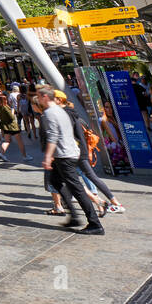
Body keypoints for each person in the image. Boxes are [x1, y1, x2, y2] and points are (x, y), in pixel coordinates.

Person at [36, 89, 103, 234]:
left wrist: (48, 156)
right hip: (69, 152)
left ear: (45, 96)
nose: (37, 98)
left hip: (64, 155)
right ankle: (73, 216)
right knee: (55, 181)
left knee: (77, 189)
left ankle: (95, 223)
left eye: (39, 95)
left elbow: (53, 135)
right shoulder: (62, 111)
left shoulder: (49, 113)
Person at [55, 92, 124, 214]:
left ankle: (104, 202)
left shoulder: (67, 116)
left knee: (81, 177)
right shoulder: (75, 115)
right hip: (80, 152)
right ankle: (110, 202)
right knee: (82, 177)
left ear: (60, 100)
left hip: (76, 153)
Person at [0, 93, 30, 162]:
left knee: (6, 141)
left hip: (5, 127)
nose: (7, 100)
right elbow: (12, 118)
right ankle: (25, 156)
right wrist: (12, 111)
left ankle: (2, 153)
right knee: (20, 141)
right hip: (12, 127)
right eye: (5, 99)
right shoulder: (5, 107)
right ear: (3, 100)